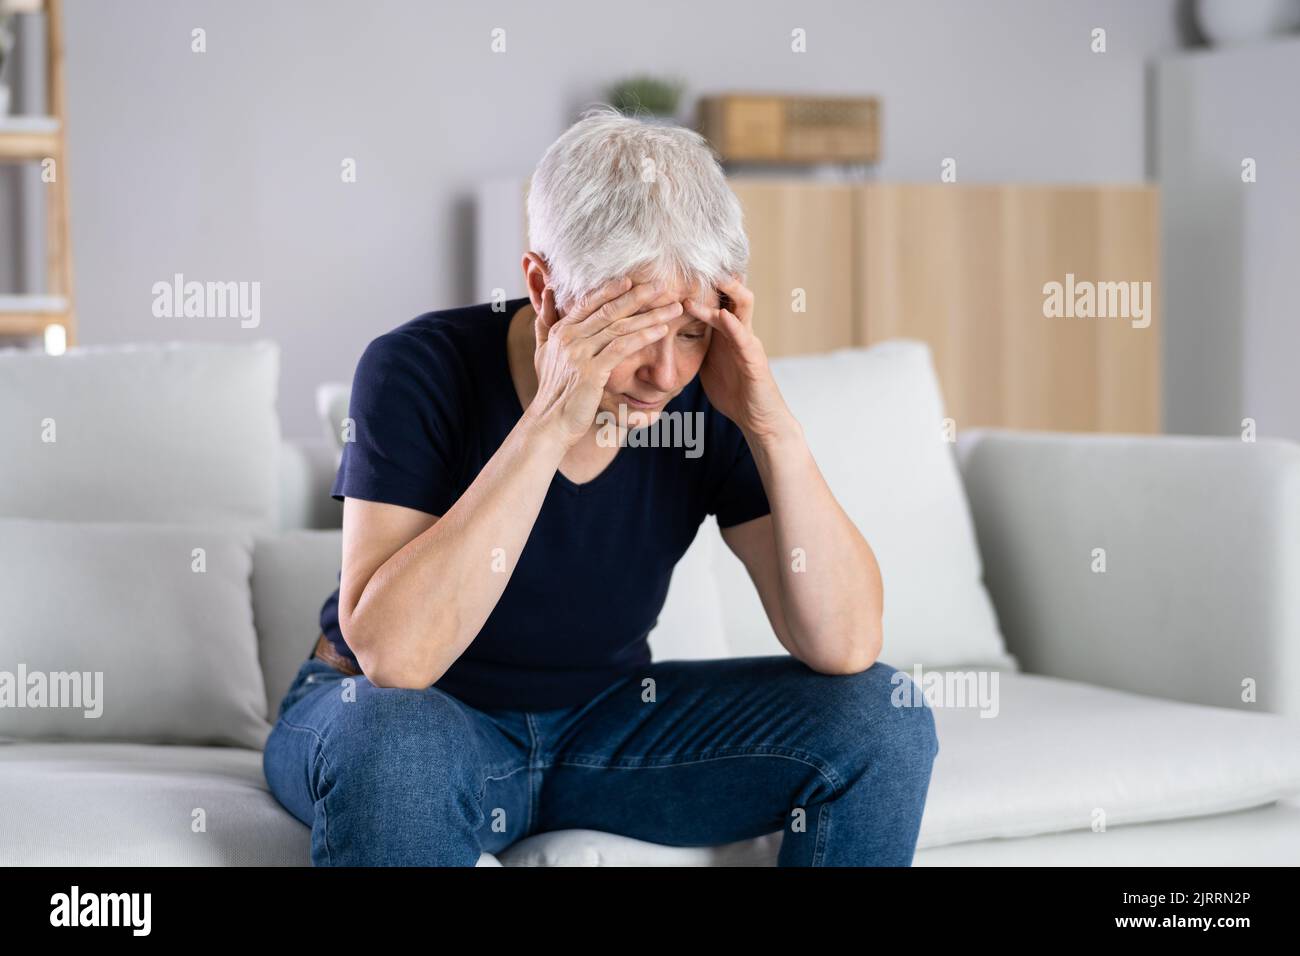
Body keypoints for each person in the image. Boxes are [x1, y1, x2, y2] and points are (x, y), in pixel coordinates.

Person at [263, 105, 938, 866]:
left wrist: (769, 425)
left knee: (886, 716)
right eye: (631, 332)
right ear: (544, 289)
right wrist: (549, 425)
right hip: (402, 715)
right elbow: (396, 658)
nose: (665, 374)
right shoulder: (415, 368)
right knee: (396, 742)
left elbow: (845, 644)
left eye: (691, 332)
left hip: (603, 730)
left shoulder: (705, 397)